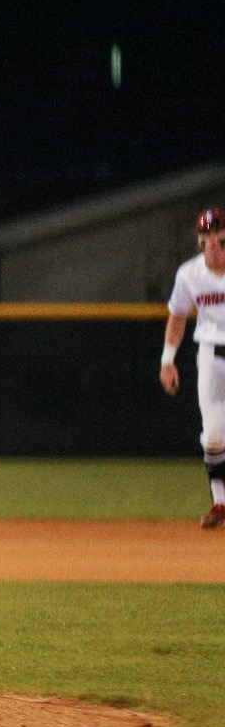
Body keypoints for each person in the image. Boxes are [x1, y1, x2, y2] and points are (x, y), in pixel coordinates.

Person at [158, 206, 225, 529]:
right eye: (207, 235)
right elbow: (178, 317)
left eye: (218, 234)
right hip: (211, 354)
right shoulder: (189, 274)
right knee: (213, 436)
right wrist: (167, 360)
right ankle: (220, 503)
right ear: (199, 240)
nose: (213, 241)